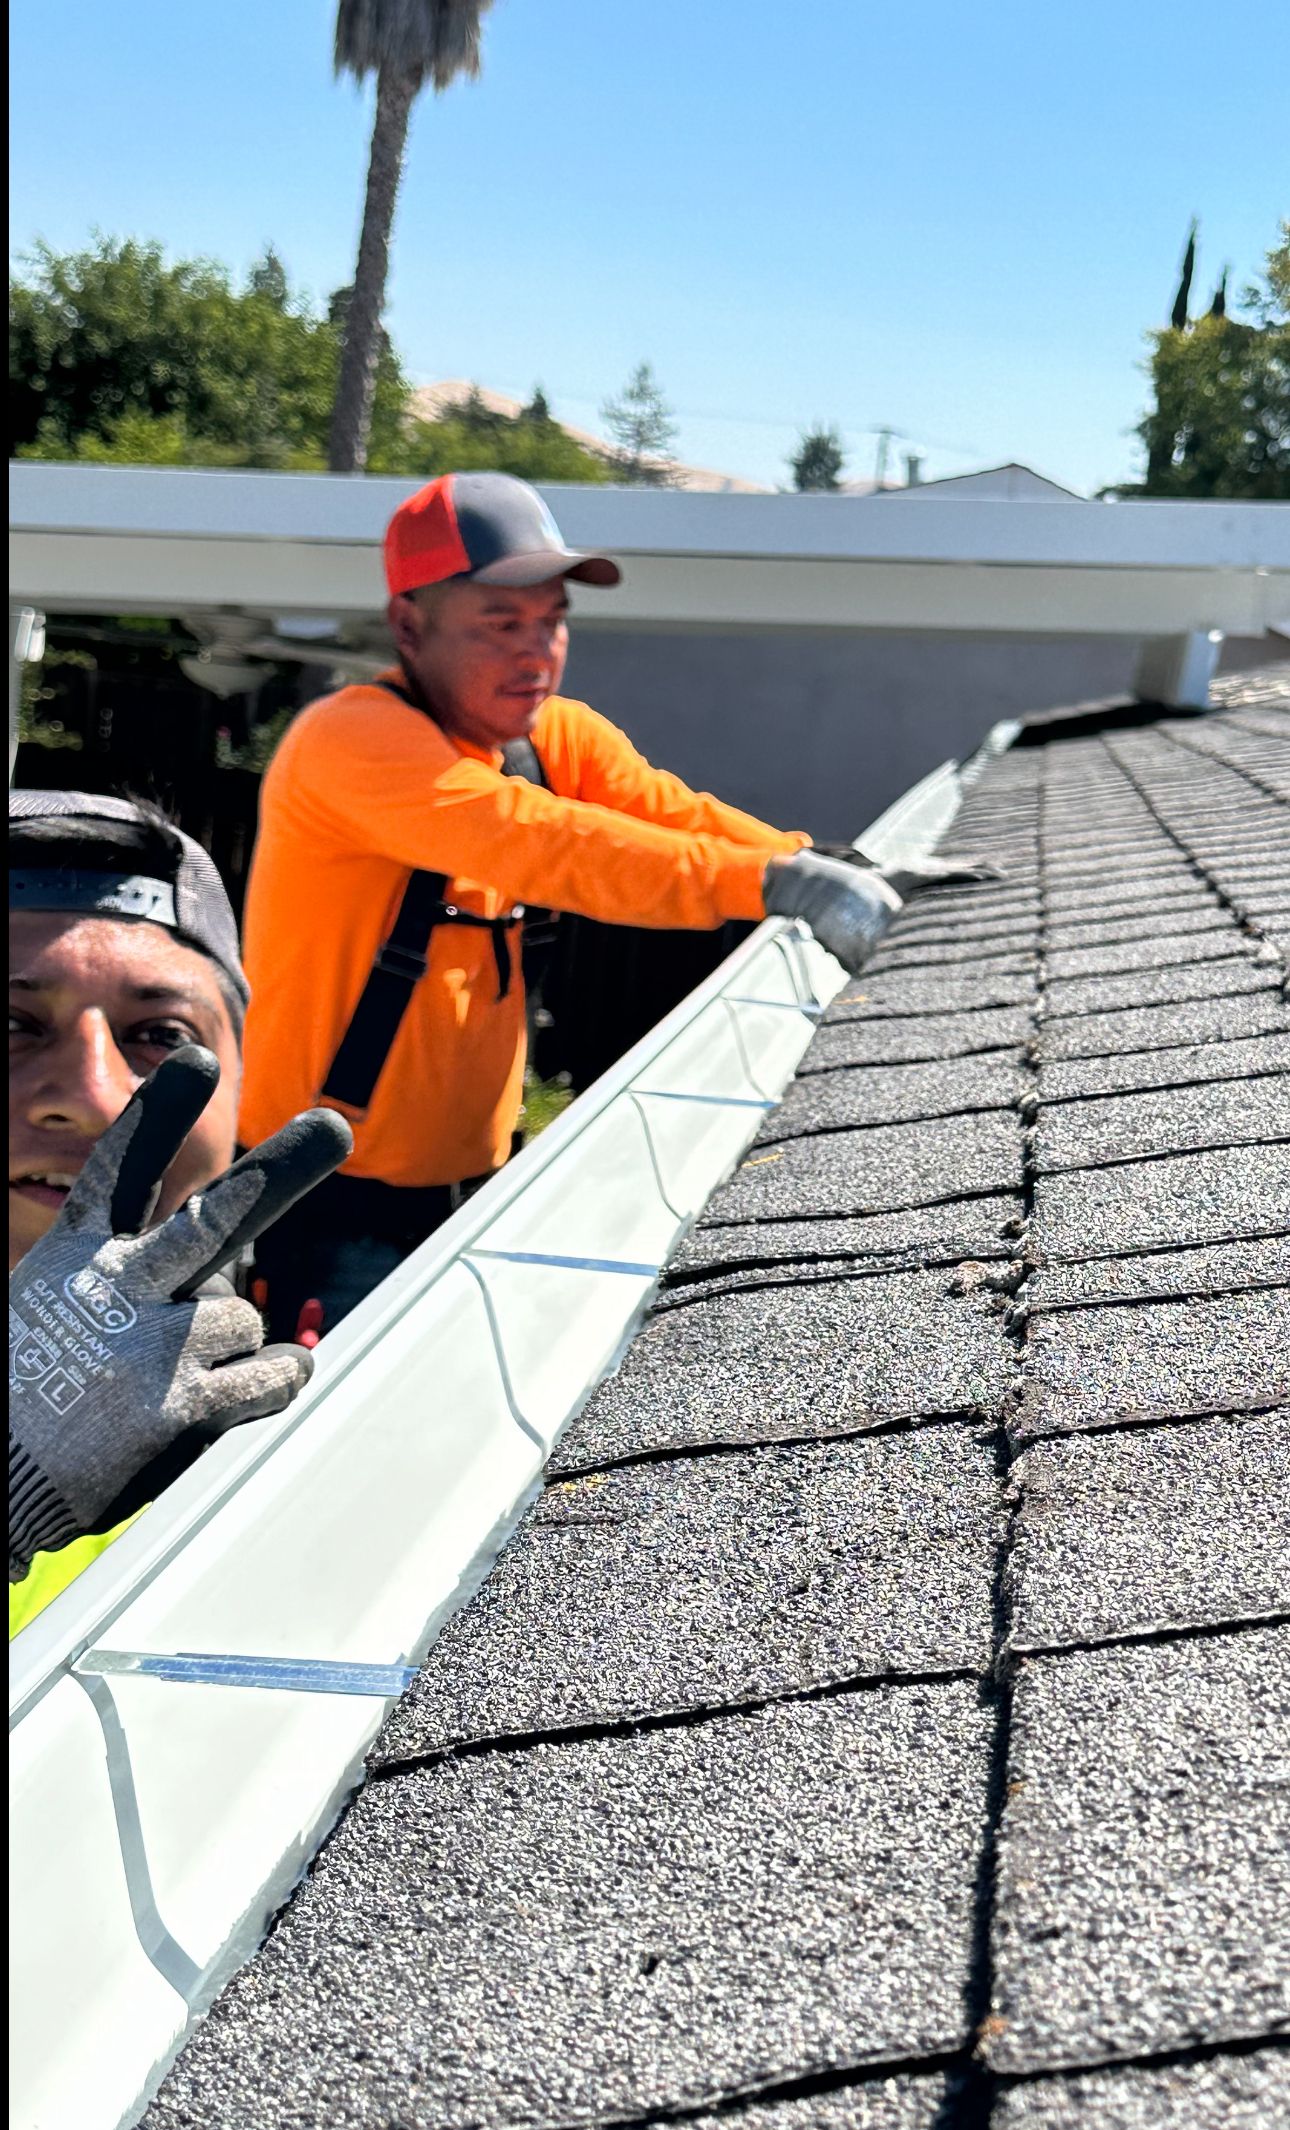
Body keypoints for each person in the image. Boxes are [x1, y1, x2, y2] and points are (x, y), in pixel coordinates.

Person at [240, 472, 987, 1339]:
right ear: (410, 626)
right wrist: (776, 887)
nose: (537, 653)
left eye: (553, 621)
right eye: (501, 623)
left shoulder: (550, 738)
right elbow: (548, 843)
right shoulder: (349, 740)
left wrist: (830, 864)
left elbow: (674, 817)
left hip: (480, 1187)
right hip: (330, 1205)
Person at [8, 792, 350, 1629]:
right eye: (12, 1024)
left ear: (243, 1088)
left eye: (163, 1036)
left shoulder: (350, 1421)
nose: (97, 1098)